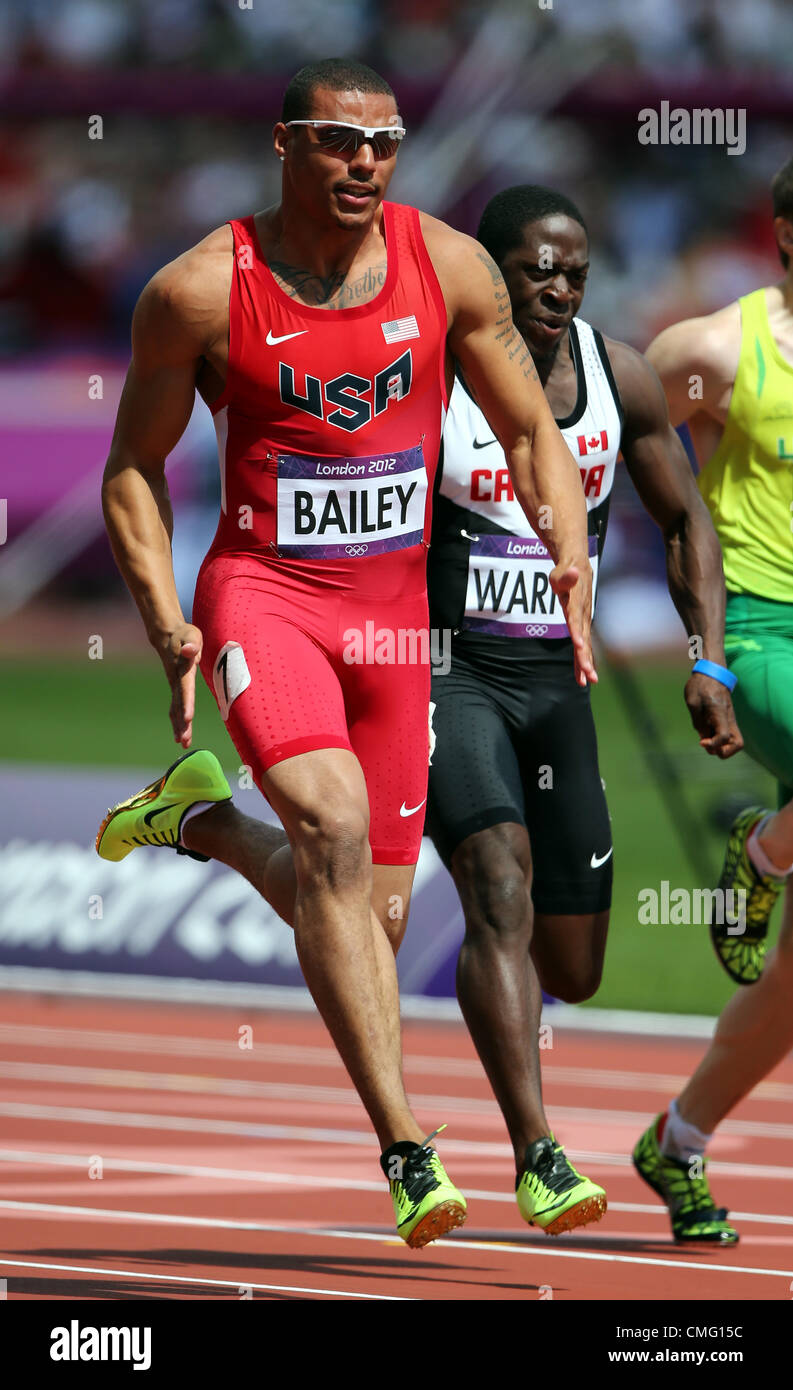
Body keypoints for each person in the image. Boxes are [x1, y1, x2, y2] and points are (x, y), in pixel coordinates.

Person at [95, 60, 595, 1249]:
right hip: (265, 600)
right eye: (336, 139)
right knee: (327, 828)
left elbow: (531, 430)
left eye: (385, 141)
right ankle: (409, 1149)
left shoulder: (449, 265)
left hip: (391, 624)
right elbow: (132, 468)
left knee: (365, 918)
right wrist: (164, 618)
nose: (365, 161)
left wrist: (566, 556)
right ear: (284, 144)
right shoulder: (199, 290)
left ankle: (201, 822)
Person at [424, 185, 742, 1237]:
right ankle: (539, 1153)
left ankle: (213, 827)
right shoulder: (435, 375)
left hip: (559, 687)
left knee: (572, 964)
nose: (558, 289)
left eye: (575, 273)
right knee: (497, 885)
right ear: (489, 272)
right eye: (536, 270)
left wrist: (707, 659)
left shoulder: (620, 377)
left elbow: (685, 520)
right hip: (449, 673)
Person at [632, 154, 793, 1243]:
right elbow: (619, 444)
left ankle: (677, 1140)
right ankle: (764, 854)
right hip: (763, 632)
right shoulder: (713, 350)